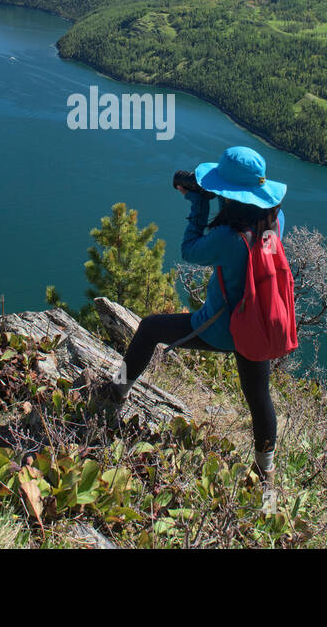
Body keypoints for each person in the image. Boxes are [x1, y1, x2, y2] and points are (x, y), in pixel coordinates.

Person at [109, 146, 286, 483]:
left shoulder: (227, 237)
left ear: (227, 194)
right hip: (260, 327)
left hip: (223, 329)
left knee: (149, 329)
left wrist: (199, 202)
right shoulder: (273, 221)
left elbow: (189, 251)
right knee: (259, 398)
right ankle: (266, 471)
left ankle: (116, 390)